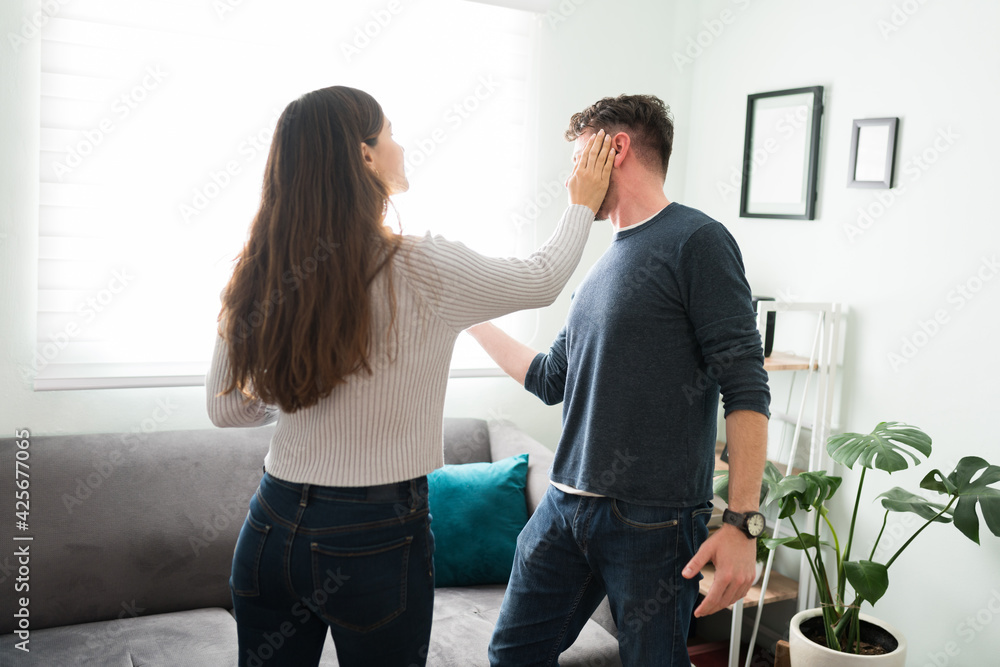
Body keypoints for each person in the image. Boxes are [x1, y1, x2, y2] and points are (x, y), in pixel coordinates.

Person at [205, 85, 615, 667]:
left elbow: (225, 409)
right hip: (373, 535)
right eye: (391, 133)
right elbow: (542, 278)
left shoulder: (258, 268)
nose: (401, 145)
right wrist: (581, 203)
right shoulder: (421, 266)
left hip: (271, 527)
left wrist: (304, 389)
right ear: (365, 155)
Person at [467, 94, 770, 667]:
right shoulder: (601, 267)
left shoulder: (696, 240)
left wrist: (741, 524)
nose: (570, 180)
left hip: (652, 519)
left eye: (579, 158)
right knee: (512, 655)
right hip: (565, 506)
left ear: (616, 148)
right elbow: (550, 378)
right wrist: (471, 317)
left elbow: (746, 385)